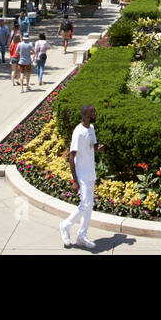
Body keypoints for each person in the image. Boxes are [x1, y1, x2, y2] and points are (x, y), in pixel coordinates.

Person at [61, 104, 103, 250]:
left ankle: (82, 236)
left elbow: (94, 146)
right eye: (93, 112)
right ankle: (65, 226)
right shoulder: (78, 132)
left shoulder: (91, 129)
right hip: (82, 174)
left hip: (91, 172)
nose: (95, 114)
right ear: (86, 115)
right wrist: (75, 181)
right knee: (84, 204)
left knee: (89, 205)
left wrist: (99, 149)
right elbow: (71, 157)